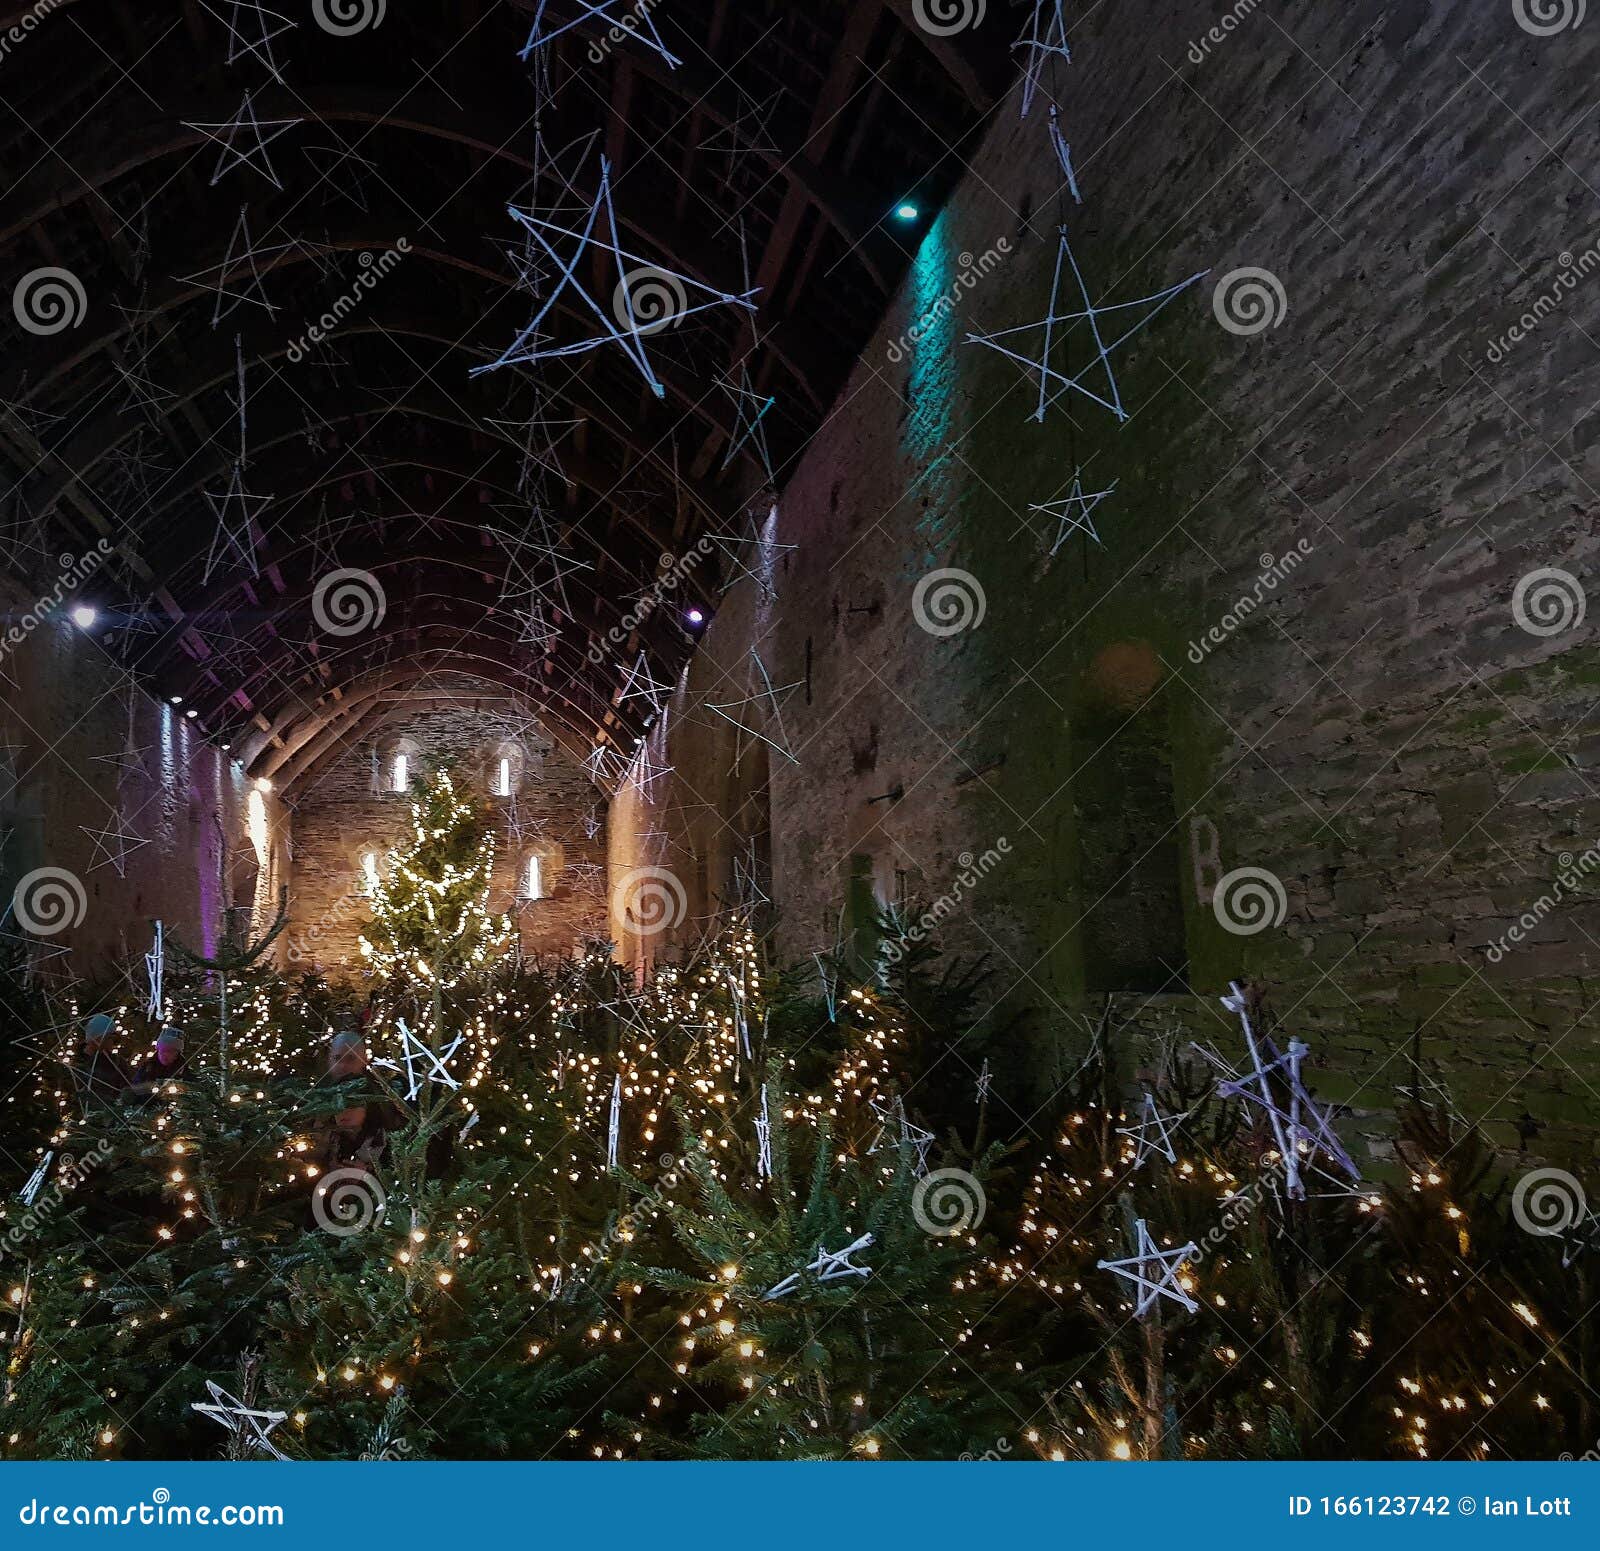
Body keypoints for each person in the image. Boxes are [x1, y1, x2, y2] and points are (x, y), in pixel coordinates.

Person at [71, 1012, 130, 1109]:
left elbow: (128, 1087)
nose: (112, 1043)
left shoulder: (117, 1062)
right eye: (109, 1038)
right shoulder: (79, 1066)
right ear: (97, 1039)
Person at [128, 1027, 188, 1096]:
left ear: (177, 1053)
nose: (165, 1054)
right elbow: (136, 1085)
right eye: (162, 1050)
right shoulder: (148, 1066)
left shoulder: (182, 1068)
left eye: (170, 1051)